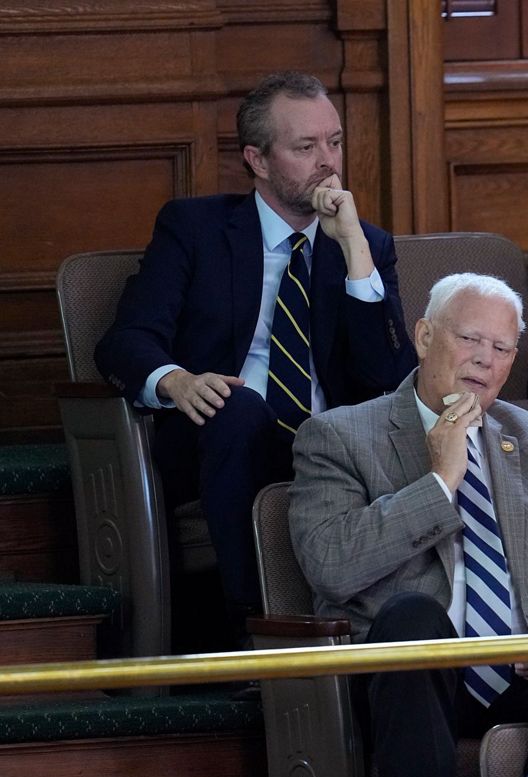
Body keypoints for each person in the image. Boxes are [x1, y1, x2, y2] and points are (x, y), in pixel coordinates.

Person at [289, 272, 528, 777]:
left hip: (524, 670)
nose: (485, 359)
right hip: (410, 679)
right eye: (470, 340)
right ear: (425, 336)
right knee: (414, 615)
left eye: (501, 347)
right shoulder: (340, 436)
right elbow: (332, 564)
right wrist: (440, 482)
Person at [94, 71, 414, 644]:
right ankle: (255, 628)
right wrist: (177, 382)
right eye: (305, 147)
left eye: (334, 142)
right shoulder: (195, 229)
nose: (328, 163)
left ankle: (391, 634)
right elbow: (125, 340)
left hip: (327, 440)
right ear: (257, 160)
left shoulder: (364, 245)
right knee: (239, 409)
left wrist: (356, 253)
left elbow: (390, 380)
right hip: (217, 435)